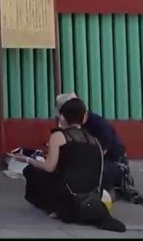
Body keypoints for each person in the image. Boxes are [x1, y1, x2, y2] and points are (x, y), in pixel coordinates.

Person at [16, 97, 126, 232]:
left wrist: (27, 160)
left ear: (62, 116)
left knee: (32, 171)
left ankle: (54, 208)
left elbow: (49, 167)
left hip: (69, 199)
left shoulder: (58, 136)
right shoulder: (94, 140)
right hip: (90, 197)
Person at [55, 92, 143, 204]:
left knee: (87, 175)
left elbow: (98, 156)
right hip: (88, 161)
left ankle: (113, 190)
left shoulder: (99, 125)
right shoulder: (71, 123)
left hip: (111, 163)